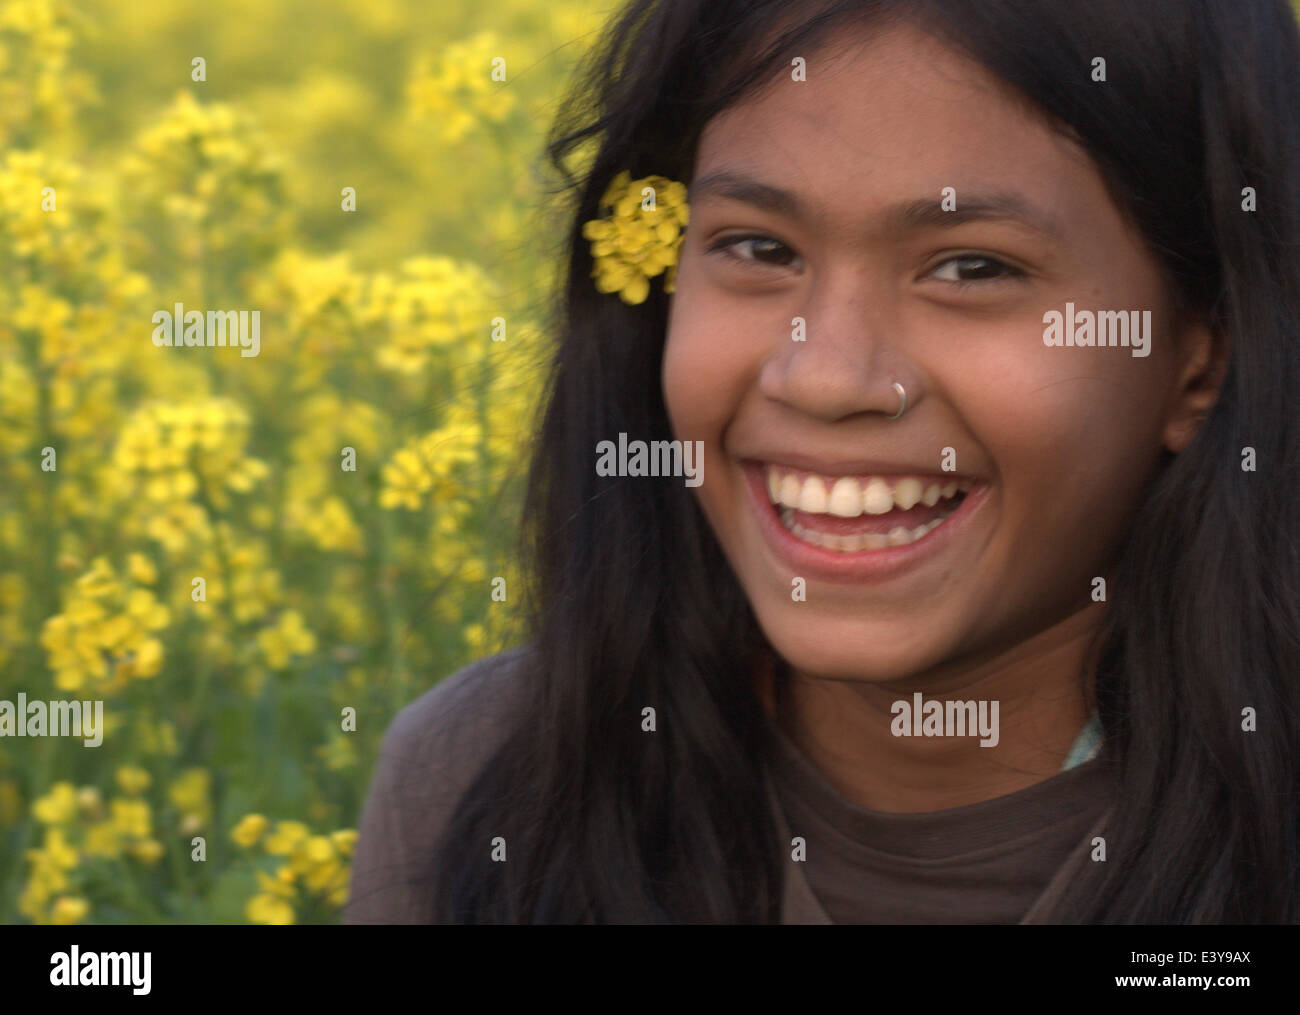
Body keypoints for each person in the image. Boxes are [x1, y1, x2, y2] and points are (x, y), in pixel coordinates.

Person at [348, 0, 1300, 924]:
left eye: (972, 267)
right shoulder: (486, 776)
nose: (825, 377)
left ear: (1202, 353)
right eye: (759, 248)